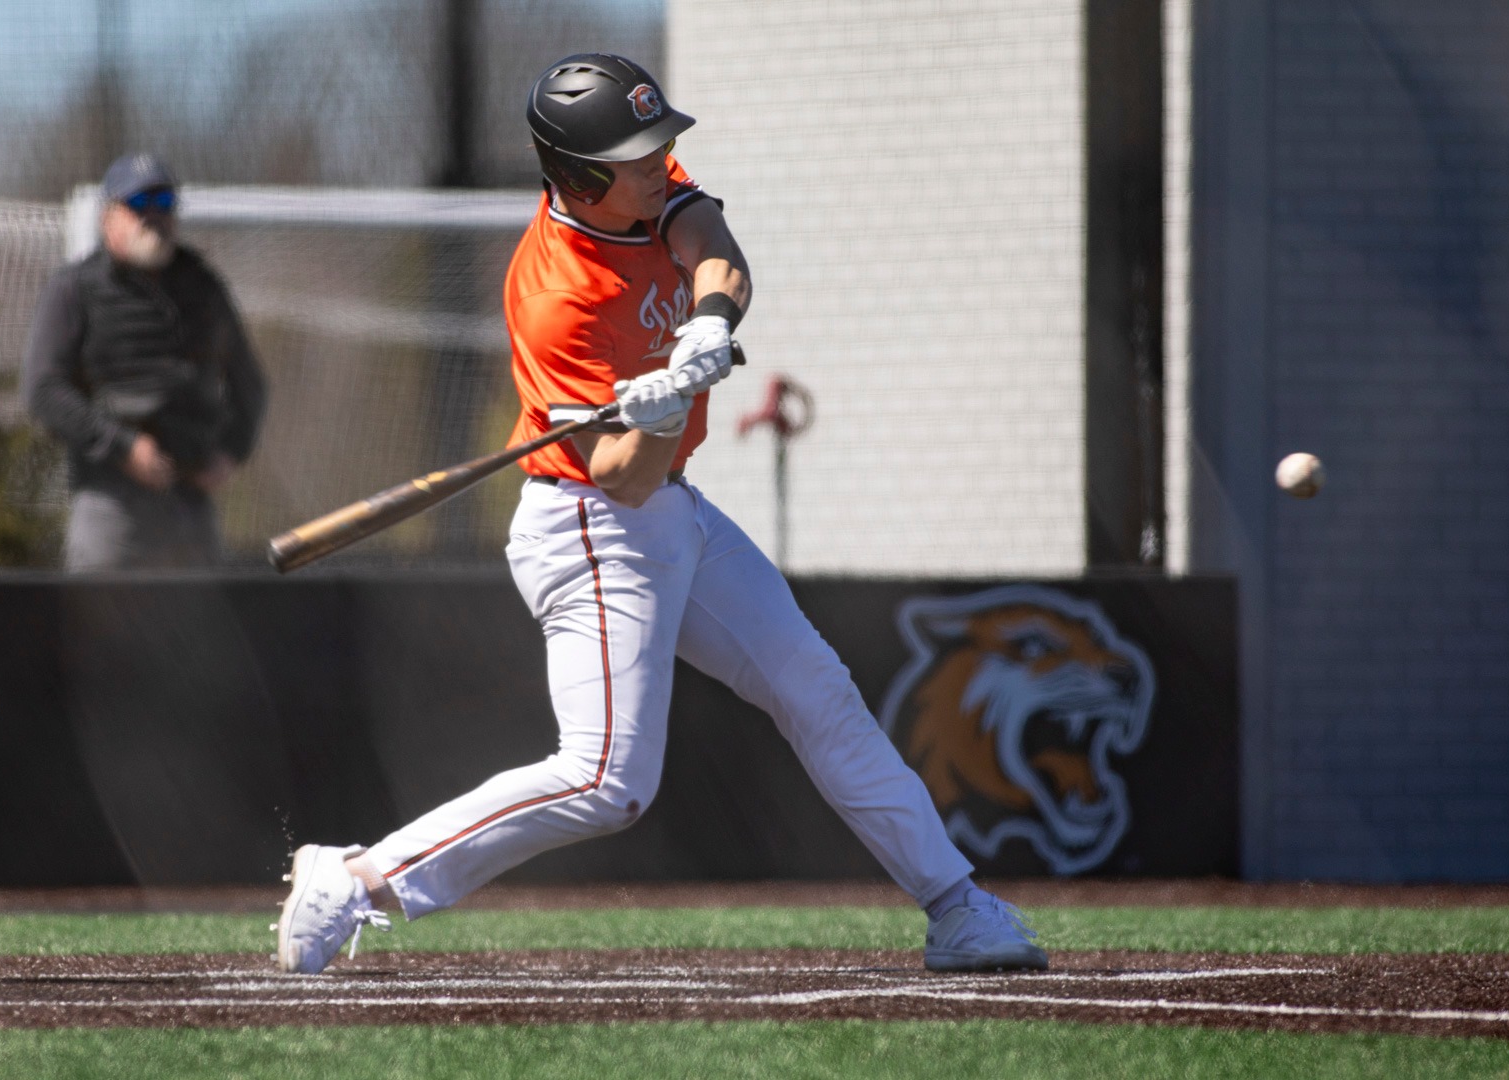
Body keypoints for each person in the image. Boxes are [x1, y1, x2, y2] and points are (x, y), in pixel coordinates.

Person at [275, 54, 1047, 975]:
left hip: (674, 511)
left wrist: (708, 323)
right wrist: (661, 411)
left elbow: (712, 244)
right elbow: (621, 478)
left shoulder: (647, 188)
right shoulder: (554, 297)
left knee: (814, 685)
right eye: (639, 155)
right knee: (607, 781)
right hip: (591, 525)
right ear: (581, 176)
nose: (662, 161)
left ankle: (956, 907)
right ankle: (357, 879)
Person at [22, 154, 268, 571]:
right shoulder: (76, 289)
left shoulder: (202, 287)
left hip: (189, 505)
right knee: (104, 628)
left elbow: (250, 383)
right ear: (108, 217)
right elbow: (44, 391)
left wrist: (231, 451)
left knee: (203, 632)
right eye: (138, 205)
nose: (153, 217)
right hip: (112, 505)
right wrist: (125, 447)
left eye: (165, 204)